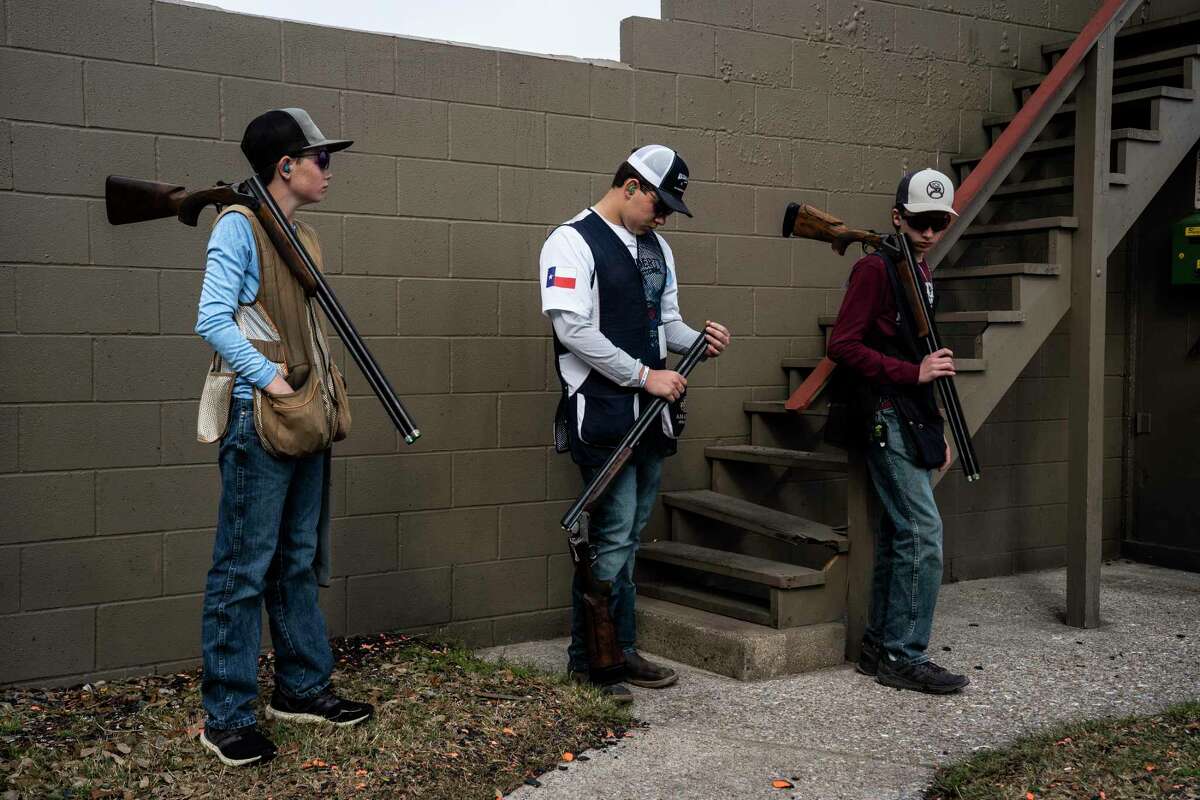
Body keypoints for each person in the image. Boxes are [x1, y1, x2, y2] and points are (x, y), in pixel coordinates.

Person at [195, 108, 372, 766]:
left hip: (305, 416)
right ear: (285, 166)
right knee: (241, 570)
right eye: (319, 158)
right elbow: (212, 319)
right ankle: (228, 717)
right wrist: (269, 379)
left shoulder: (304, 236)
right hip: (261, 414)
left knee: (295, 560)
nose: (329, 169)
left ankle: (300, 687)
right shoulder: (237, 228)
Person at [540, 145, 731, 703]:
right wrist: (644, 375)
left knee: (629, 537)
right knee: (612, 539)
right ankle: (591, 663)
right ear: (629, 187)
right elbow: (573, 330)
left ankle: (620, 647)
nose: (665, 216)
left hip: (652, 418)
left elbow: (665, 322)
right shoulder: (571, 241)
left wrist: (698, 341)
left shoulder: (659, 248)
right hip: (602, 414)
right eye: (660, 203)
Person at [826, 168, 970, 695]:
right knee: (921, 532)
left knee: (900, 532)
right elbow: (843, 345)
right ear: (897, 218)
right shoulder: (874, 269)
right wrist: (912, 373)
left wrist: (939, 430)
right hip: (883, 414)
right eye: (919, 222)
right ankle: (902, 655)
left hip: (911, 415)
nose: (929, 232)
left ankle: (880, 648)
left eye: (937, 223)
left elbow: (922, 358)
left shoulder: (923, 272)